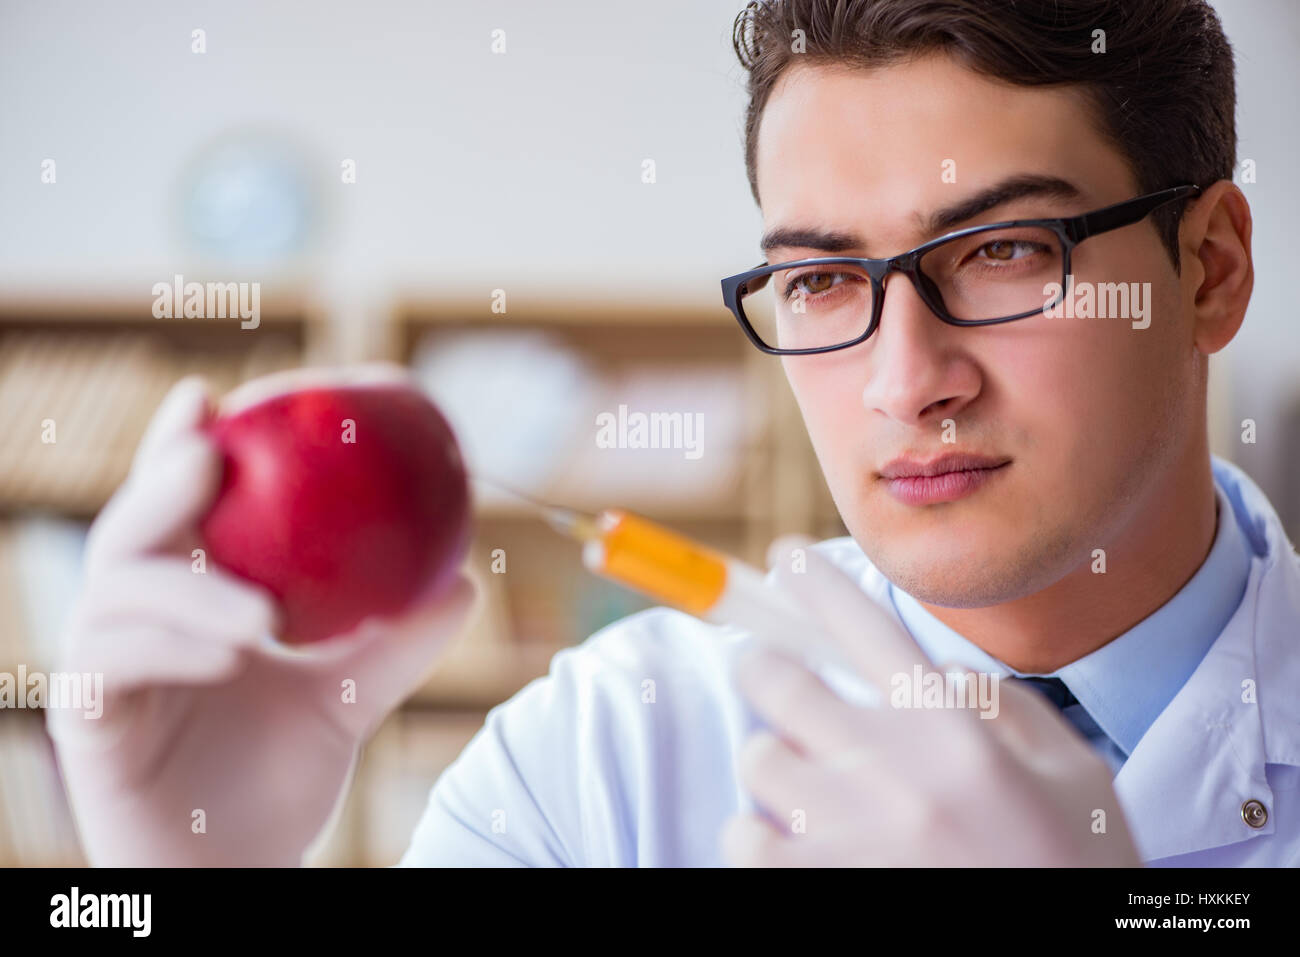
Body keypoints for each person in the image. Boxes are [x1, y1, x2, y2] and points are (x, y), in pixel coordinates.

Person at [49, 0, 1299, 867]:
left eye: (1005, 253)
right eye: (819, 281)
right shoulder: (596, 752)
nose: (904, 382)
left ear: (1209, 270)